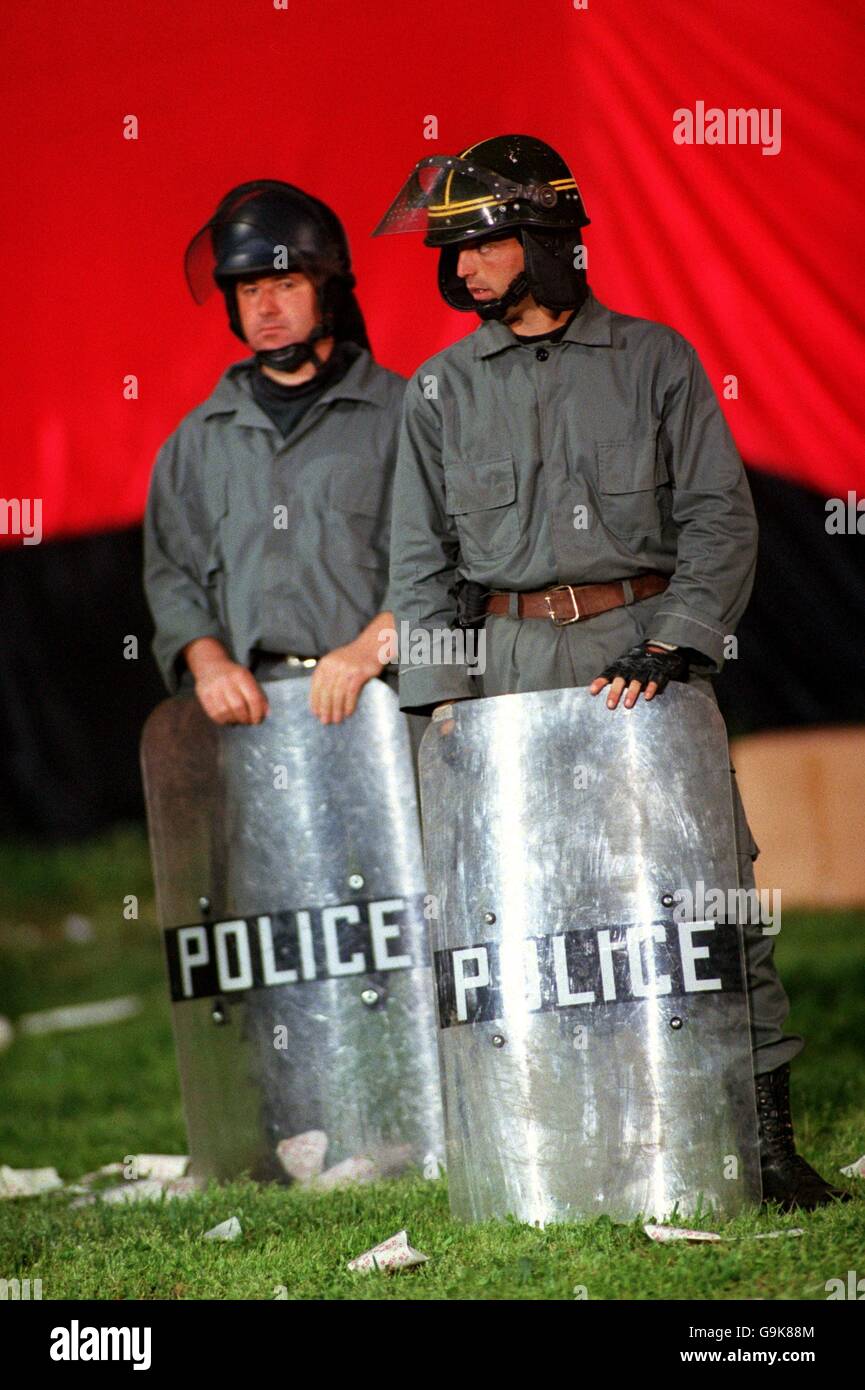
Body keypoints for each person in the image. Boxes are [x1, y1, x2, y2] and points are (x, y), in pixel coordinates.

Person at [374, 134, 851, 1210]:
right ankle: (555, 1137)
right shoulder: (440, 390)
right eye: (452, 253)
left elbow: (720, 519)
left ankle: (762, 1141)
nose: (462, 271)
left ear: (543, 238)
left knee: (709, 894)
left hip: (638, 657)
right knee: (519, 908)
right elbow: (416, 557)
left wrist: (676, 642)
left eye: (482, 246)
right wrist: (444, 696)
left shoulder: (656, 361)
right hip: (502, 670)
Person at [144, 179, 406, 728]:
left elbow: (444, 561)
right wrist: (208, 661)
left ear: (327, 291)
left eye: (285, 284)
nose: (265, 308)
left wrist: (368, 651)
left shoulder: (406, 415)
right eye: (247, 290)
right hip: (252, 718)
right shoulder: (197, 440)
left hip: (384, 700)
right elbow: (172, 575)